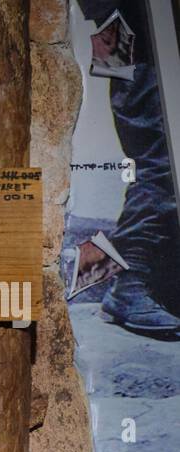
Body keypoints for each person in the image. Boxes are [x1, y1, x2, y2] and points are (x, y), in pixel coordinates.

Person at [78, 0, 180, 333]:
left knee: (160, 155)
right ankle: (127, 283)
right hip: (137, 24)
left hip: (131, 25)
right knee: (161, 160)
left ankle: (136, 279)